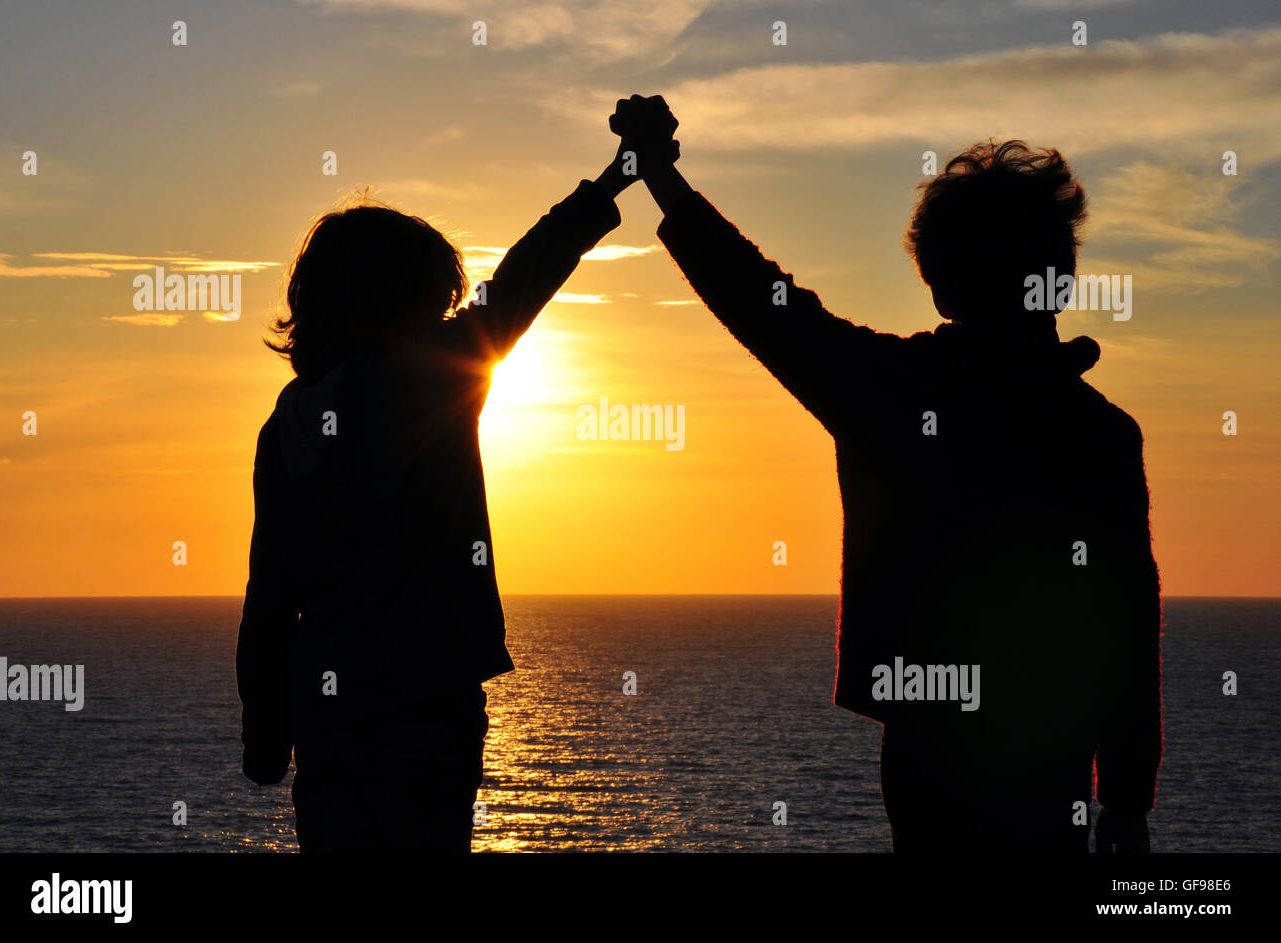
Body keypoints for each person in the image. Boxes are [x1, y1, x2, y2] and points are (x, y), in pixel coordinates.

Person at [614, 95, 1163, 852]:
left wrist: (662, 178)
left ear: (938, 285)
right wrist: (1127, 801)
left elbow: (761, 299)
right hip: (1050, 752)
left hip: (930, 745)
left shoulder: (891, 391)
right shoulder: (1098, 433)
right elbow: (1126, 630)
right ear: (1062, 279)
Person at [236, 135, 648, 851]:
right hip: (425, 702)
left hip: (330, 713)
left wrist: (265, 731)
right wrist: (618, 177)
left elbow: (270, 596)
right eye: (438, 305)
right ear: (404, 304)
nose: (447, 318)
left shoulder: (287, 423)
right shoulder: (429, 379)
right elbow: (527, 273)